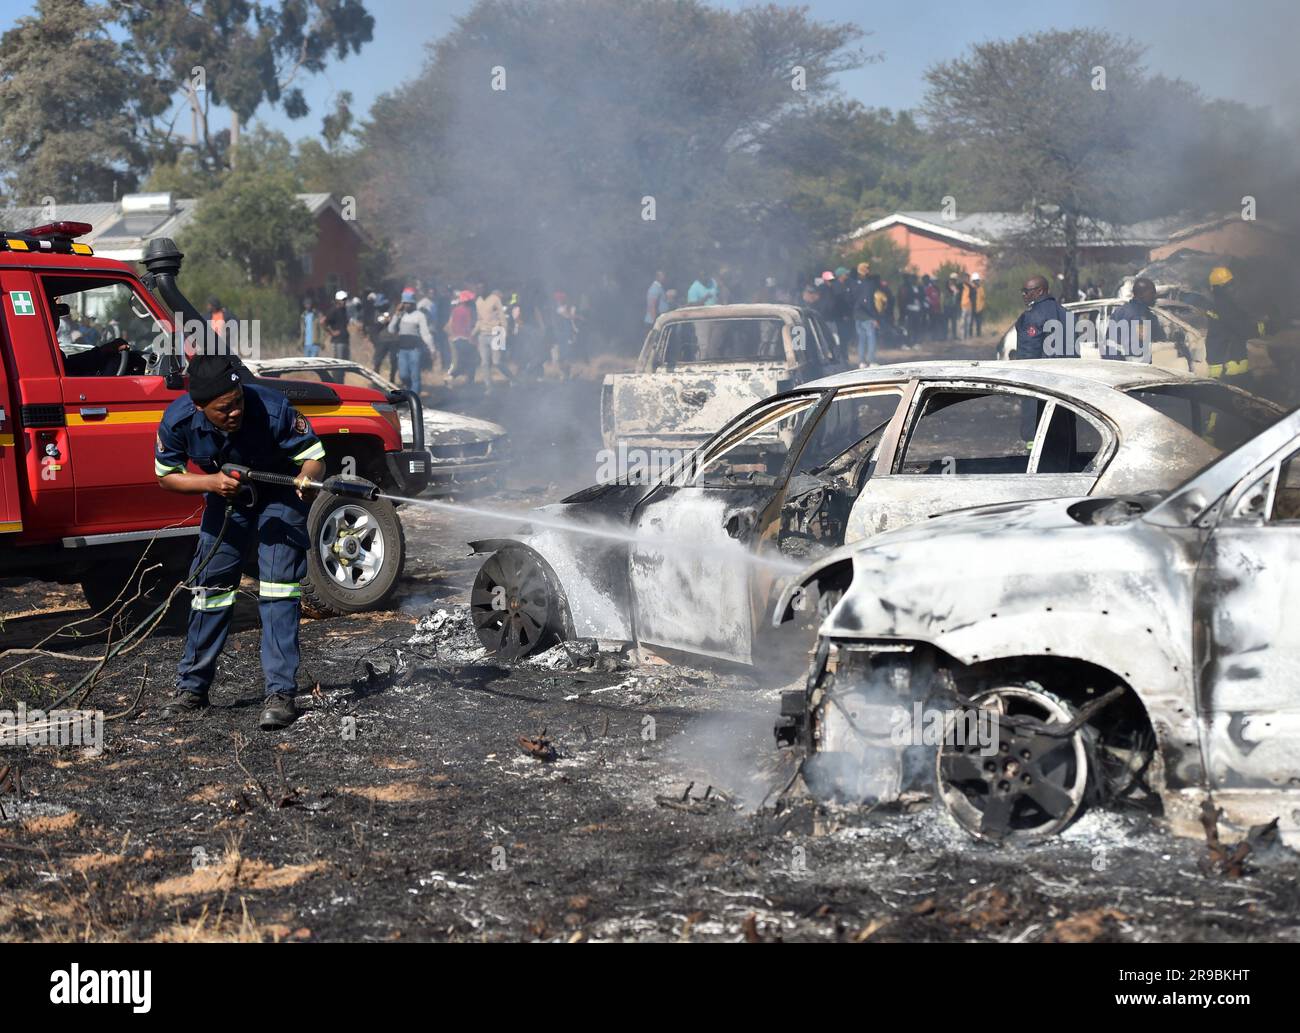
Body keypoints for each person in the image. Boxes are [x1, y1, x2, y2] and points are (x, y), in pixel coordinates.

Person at [154, 352, 325, 731]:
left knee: (279, 590)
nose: (235, 413)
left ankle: (280, 694)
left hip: (280, 499)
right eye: (224, 409)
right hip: (225, 497)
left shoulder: (272, 407)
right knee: (210, 589)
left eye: (238, 403)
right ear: (199, 407)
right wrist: (211, 484)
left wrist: (307, 479)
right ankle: (192, 690)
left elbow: (314, 458)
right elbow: (167, 476)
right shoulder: (178, 419)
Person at [1205, 266, 1252, 385]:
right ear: (1222, 288)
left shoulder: (1216, 305)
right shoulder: (1226, 307)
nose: (1234, 288)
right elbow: (1244, 329)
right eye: (1230, 284)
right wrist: (1266, 327)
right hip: (1231, 371)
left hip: (1221, 369)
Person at [386, 287, 436, 395]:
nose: (406, 305)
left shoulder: (419, 315)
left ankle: (415, 399)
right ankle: (409, 391)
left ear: (413, 303)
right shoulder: (401, 315)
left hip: (415, 350)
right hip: (402, 350)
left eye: (409, 303)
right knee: (403, 375)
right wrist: (396, 314)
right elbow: (391, 329)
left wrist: (432, 349)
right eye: (404, 303)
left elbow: (425, 333)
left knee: (415, 376)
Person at [1103, 276, 1165, 363]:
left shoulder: (1120, 311)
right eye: (1152, 293)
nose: (1155, 296)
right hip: (1133, 369)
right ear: (1143, 294)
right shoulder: (1140, 316)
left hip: (1112, 364)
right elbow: (1139, 349)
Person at [1013, 275, 1070, 360]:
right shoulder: (1068, 314)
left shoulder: (1030, 316)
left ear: (1040, 291)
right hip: (1067, 371)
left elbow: (1027, 355)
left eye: (1026, 291)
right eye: (1022, 291)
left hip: (1041, 371)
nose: (1023, 294)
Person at [474, 287, 509, 392]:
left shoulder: (495, 299)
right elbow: (479, 319)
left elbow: (502, 316)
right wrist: (473, 332)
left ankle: (513, 379)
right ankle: (489, 387)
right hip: (483, 335)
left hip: (496, 333)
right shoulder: (478, 301)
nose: (479, 289)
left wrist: (505, 332)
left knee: (497, 362)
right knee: (484, 363)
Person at [851, 262, 881, 367]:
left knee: (861, 339)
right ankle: (871, 361)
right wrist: (874, 317)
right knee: (871, 338)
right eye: (868, 268)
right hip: (867, 316)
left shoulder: (854, 283)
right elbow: (868, 302)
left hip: (857, 315)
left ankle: (861, 362)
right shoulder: (868, 284)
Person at [325, 289, 351, 360]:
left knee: (345, 363)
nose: (345, 301)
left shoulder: (344, 310)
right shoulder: (333, 310)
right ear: (338, 300)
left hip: (345, 340)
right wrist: (332, 332)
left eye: (345, 299)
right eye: (343, 299)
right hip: (337, 341)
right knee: (338, 363)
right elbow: (323, 322)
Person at [961, 273, 985, 338]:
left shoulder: (981, 289)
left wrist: (982, 307)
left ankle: (978, 335)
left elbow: (983, 298)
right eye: (975, 281)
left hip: (979, 308)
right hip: (972, 307)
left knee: (978, 323)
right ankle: (970, 335)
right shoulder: (971, 288)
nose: (976, 282)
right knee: (970, 323)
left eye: (977, 280)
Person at [943, 273, 962, 340]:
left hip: (954, 307)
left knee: (954, 322)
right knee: (946, 322)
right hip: (947, 306)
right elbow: (948, 294)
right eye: (952, 280)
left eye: (955, 280)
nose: (954, 281)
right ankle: (944, 336)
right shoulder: (947, 287)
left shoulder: (956, 288)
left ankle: (954, 336)